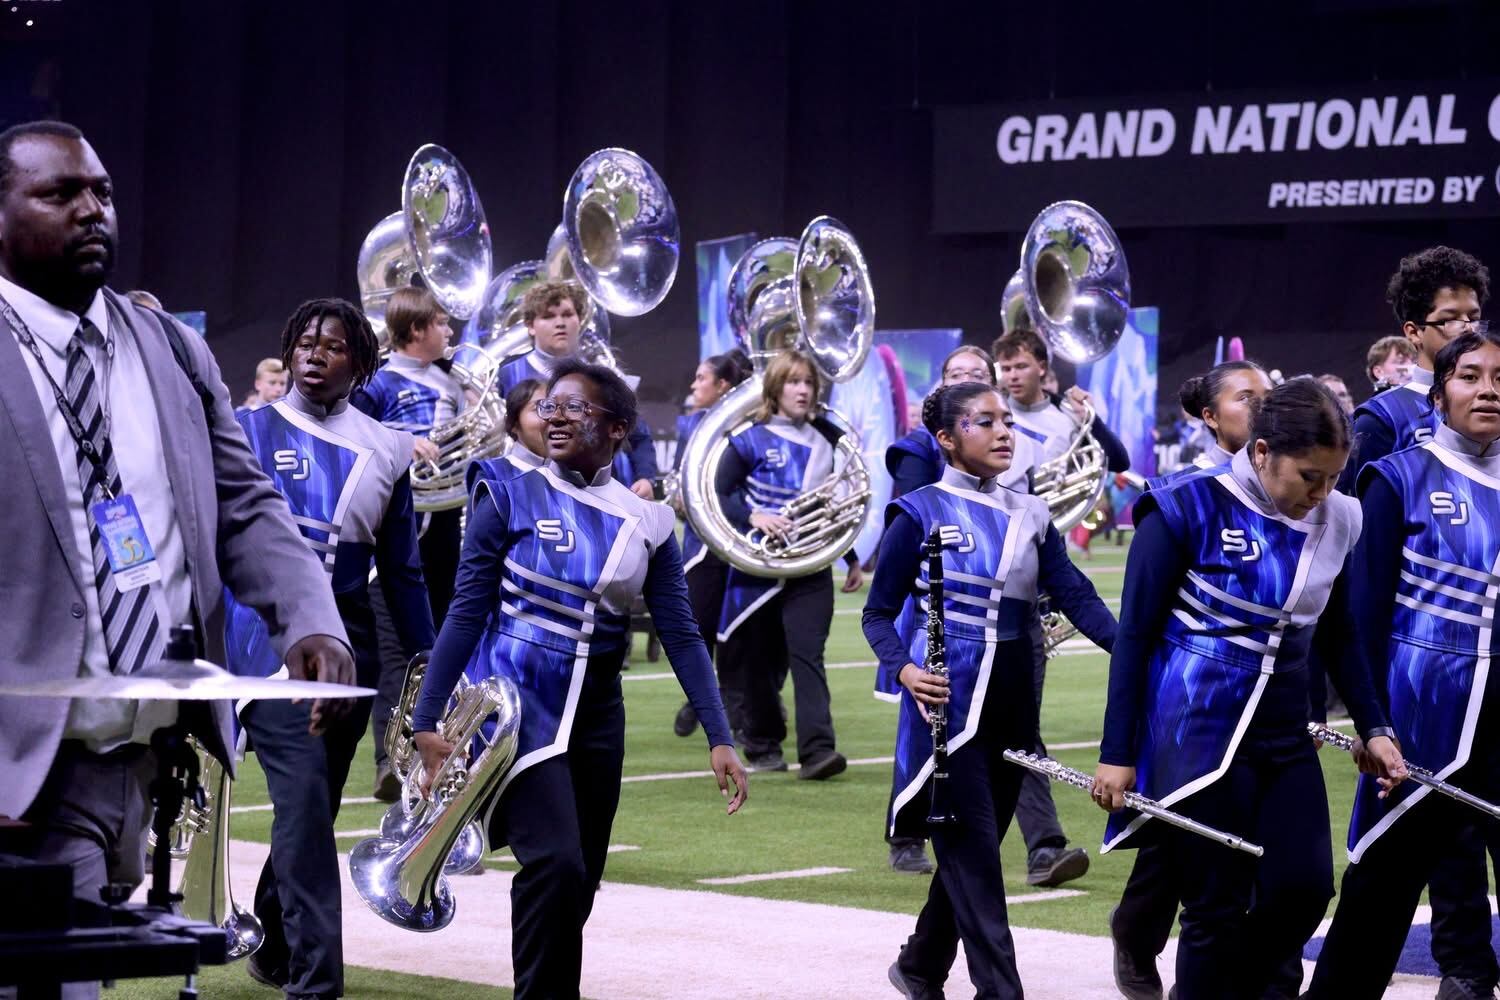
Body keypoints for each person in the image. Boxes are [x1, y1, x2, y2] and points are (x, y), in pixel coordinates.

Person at [0, 120, 352, 1000]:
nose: (91, 211)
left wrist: (306, 612)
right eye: (59, 194)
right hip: (17, 764)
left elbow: (246, 504)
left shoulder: (170, 350)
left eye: (103, 193)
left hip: (141, 761)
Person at [410, 359, 748, 1000]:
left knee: (581, 877)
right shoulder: (504, 487)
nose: (554, 417)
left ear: (619, 429)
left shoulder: (648, 520)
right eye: (548, 407)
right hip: (516, 713)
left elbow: (680, 633)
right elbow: (466, 610)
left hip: (597, 718)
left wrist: (719, 734)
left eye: (574, 408)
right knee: (557, 864)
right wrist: (427, 719)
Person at [1091, 378, 1401, 1000]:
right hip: (1195, 734)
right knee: (1214, 903)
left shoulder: (1342, 517)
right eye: (1309, 476)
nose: (1321, 494)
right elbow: (1135, 636)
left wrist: (1374, 726)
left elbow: (1340, 633)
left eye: (1334, 477)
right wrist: (1117, 753)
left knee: (1305, 887)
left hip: (1286, 737)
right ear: (1261, 453)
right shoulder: (1181, 506)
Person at [865, 381, 1116, 1000]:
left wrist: (1140, 655)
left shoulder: (1031, 514)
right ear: (948, 439)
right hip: (946, 716)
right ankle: (1001, 993)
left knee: (970, 855)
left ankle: (920, 966)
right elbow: (877, 612)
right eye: (985, 422)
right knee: (977, 861)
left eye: (1008, 420)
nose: (1005, 432)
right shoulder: (918, 512)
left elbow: (1077, 595)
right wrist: (901, 668)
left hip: (1013, 712)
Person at [225, 298, 435, 996]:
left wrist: (429, 657)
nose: (315, 354)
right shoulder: (242, 427)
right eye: (305, 342)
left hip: (353, 649)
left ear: (362, 363)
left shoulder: (387, 448)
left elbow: (402, 569)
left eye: (335, 346)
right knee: (306, 804)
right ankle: (317, 983)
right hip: (263, 643)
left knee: (311, 805)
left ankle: (272, 937)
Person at [1306, 325, 1500, 1000]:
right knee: (1378, 897)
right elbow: (1360, 617)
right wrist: (1372, 720)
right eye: (1470, 376)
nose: (1488, 390)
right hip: (1418, 728)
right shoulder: (1396, 477)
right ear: (1440, 393)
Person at [1106, 359, 1273, 999]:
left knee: (1254, 851)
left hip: (1264, 705)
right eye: (1243, 398)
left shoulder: (1299, 497)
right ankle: (1138, 931)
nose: (1261, 406)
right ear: (1209, 416)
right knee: (1182, 832)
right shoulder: (1186, 494)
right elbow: (1140, 627)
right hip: (1190, 699)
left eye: (1268, 395)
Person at [714, 349, 861, 778]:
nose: (802, 390)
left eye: (808, 383)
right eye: (793, 382)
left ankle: (818, 751)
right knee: (759, 660)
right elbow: (721, 494)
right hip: (756, 567)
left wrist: (849, 557)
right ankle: (762, 742)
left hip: (811, 566)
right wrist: (753, 516)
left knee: (808, 655)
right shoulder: (747, 438)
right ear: (775, 389)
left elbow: (834, 506)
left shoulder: (827, 440)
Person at [352, 285, 465, 798]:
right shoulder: (376, 383)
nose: (449, 332)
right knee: (398, 651)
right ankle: (388, 759)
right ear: (417, 329)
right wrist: (401, 442)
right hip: (393, 528)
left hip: (445, 524)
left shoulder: (452, 384)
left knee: (441, 646)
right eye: (441, 323)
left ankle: (442, 754)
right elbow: (350, 436)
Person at [1339, 247, 1489, 495]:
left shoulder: (1492, 405)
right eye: (1451, 319)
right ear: (1414, 332)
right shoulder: (1382, 419)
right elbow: (1355, 514)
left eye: (1473, 318)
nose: (1469, 330)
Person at [496, 280, 658, 498]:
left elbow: (638, 434)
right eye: (548, 316)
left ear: (580, 320)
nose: (560, 323)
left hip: (602, 494)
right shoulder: (506, 375)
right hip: (533, 494)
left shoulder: (602, 374)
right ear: (530, 325)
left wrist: (646, 477)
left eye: (567, 314)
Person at [670, 351, 753, 739]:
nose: (693, 385)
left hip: (741, 542)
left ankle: (737, 703)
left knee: (735, 631)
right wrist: (678, 496)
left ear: (722, 386)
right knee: (697, 628)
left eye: (701, 378)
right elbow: (680, 476)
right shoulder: (690, 425)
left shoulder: (750, 426)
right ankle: (700, 699)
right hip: (701, 544)